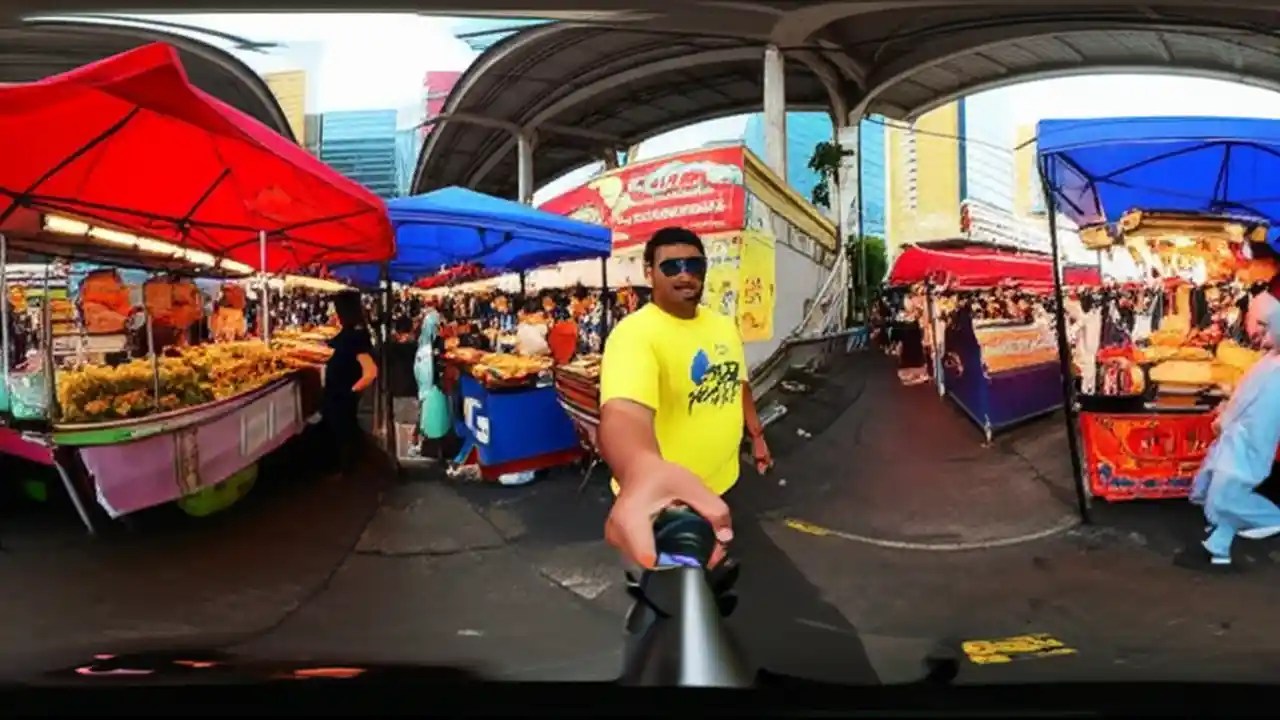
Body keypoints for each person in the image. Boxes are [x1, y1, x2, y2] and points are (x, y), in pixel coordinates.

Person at [598, 226, 771, 572]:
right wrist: (641, 471)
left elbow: (739, 385)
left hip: (725, 484)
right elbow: (624, 413)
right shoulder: (634, 335)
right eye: (672, 267)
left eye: (694, 266)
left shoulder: (723, 326)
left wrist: (757, 436)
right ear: (649, 273)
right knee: (671, 605)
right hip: (668, 504)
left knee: (722, 583)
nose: (685, 275)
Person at [1183, 287, 1280, 571]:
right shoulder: (1270, 362)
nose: (1257, 335)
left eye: (1262, 327)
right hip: (1244, 442)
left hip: (1247, 445)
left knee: (1224, 497)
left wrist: (1223, 419)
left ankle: (1268, 522)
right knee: (1221, 495)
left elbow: (1243, 400)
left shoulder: (1272, 367)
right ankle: (1219, 547)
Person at [324, 290, 378, 473]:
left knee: (343, 434)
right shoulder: (354, 331)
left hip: (342, 395)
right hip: (340, 394)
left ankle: (345, 472)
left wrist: (351, 392)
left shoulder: (355, 335)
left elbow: (370, 371)